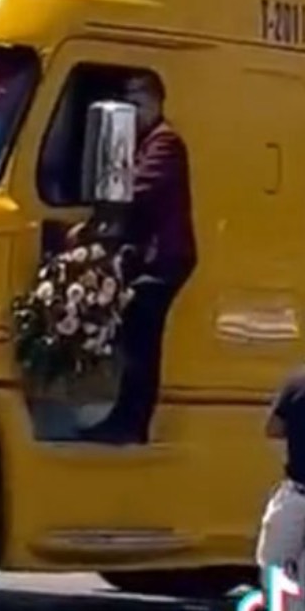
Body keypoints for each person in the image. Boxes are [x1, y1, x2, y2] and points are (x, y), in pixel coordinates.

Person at [85, 72, 196, 445]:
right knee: (133, 339)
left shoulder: (164, 144)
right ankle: (123, 417)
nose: (130, 109)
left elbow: (137, 191)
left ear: (156, 101)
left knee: (141, 344)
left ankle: (130, 424)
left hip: (163, 260)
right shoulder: (146, 141)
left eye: (136, 101)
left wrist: (93, 224)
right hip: (149, 257)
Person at [258, 366, 305, 611]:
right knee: (273, 563)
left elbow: (273, 429)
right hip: (295, 491)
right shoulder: (296, 383)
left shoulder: (296, 384)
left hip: (295, 489)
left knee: (273, 564)